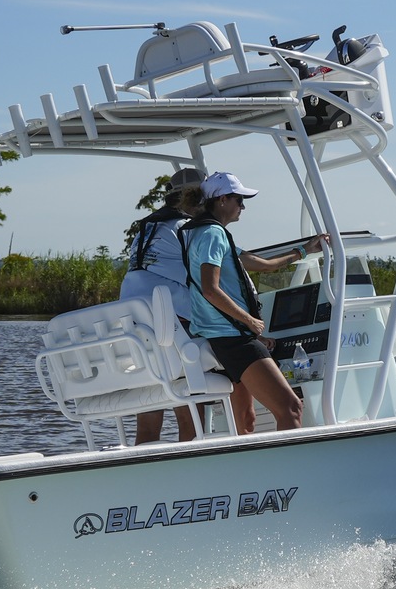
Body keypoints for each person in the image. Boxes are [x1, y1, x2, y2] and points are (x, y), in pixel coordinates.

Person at [183, 171, 323, 434]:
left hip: (223, 339)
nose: (243, 207)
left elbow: (263, 265)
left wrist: (305, 249)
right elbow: (210, 290)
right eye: (239, 200)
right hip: (234, 339)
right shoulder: (213, 234)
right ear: (222, 199)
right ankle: (292, 474)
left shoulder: (205, 233)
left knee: (245, 422)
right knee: (291, 408)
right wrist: (250, 322)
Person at [119, 167, 203, 443]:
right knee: (191, 405)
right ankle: (195, 468)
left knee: (147, 424)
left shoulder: (146, 230)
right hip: (172, 335)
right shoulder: (186, 230)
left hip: (138, 337)